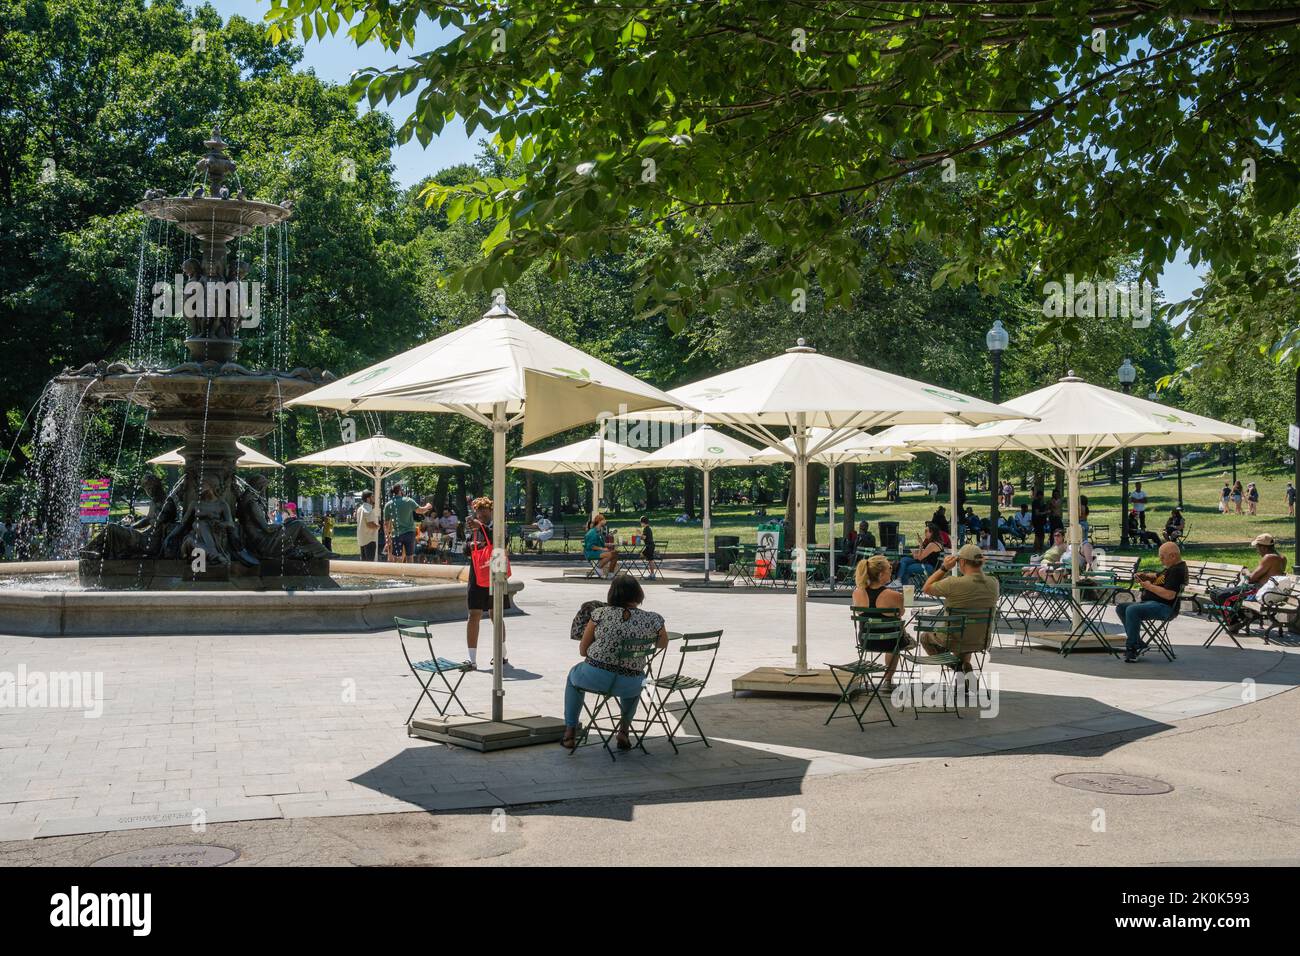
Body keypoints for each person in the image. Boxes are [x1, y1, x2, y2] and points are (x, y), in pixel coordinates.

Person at [562, 574, 668, 751]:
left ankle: (570, 732)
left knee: (573, 679)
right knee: (640, 679)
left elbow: (582, 651)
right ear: (638, 594)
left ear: (612, 594)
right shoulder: (654, 619)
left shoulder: (599, 613)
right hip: (631, 684)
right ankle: (624, 732)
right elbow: (662, 644)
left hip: (594, 677)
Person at [921, 544, 999, 676]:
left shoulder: (953, 583)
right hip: (981, 639)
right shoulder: (994, 583)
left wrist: (944, 568)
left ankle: (957, 666)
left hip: (953, 638)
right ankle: (964, 668)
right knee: (965, 634)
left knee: (925, 638)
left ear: (961, 562)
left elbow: (926, 588)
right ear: (981, 562)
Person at [1116, 542, 1187, 663]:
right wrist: (1145, 576)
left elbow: (1169, 595)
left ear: (1173, 556)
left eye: (1163, 557)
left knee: (1132, 610)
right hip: (1153, 604)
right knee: (1121, 608)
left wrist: (1149, 587)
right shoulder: (1171, 568)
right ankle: (1138, 642)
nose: (1160, 559)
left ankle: (1132, 648)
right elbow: (1158, 576)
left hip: (1166, 608)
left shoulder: (1177, 571)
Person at [1210, 533, 1288, 635]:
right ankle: (1238, 618)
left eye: (1257, 547)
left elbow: (1251, 579)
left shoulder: (1269, 557)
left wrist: (1246, 571)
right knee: (1215, 592)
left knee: (1220, 595)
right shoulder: (1282, 558)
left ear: (1264, 547)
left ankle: (1235, 622)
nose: (1257, 550)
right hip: (1267, 591)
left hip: (1258, 591)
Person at [852, 555, 909, 690]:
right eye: (890, 568)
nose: (892, 570)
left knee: (893, 636)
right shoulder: (894, 595)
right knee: (895, 640)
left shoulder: (857, 593)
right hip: (891, 642)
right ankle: (888, 680)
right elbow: (901, 613)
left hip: (866, 640)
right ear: (881, 574)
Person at [464, 495, 508, 670]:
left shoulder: (499, 525)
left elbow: (500, 542)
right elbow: (464, 548)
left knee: (495, 614)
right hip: (477, 572)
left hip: (496, 569)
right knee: (473, 614)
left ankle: (501, 654)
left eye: (484, 509)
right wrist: (474, 544)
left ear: (491, 510)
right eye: (478, 510)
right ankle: (472, 659)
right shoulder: (473, 527)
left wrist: (481, 527)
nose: (481, 513)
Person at [383, 483, 432, 563]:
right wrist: (428, 506)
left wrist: (387, 537)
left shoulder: (388, 505)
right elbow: (420, 510)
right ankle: (409, 574)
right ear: (400, 491)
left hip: (396, 534)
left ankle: (398, 574)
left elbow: (386, 523)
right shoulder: (408, 501)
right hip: (409, 533)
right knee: (409, 556)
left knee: (397, 557)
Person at [584, 513, 618, 577]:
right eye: (604, 519)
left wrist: (610, 544)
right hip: (591, 552)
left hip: (598, 551)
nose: (605, 521)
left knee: (615, 553)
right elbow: (591, 546)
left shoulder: (598, 531)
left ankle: (610, 574)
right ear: (600, 521)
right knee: (610, 554)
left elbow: (601, 543)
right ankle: (598, 567)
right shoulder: (592, 532)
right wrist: (602, 549)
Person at [354, 491, 380, 562]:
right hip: (369, 540)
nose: (374, 498)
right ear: (368, 499)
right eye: (372, 496)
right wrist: (378, 526)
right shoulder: (368, 509)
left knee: (364, 563)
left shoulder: (360, 508)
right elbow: (370, 524)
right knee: (369, 563)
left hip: (362, 539)